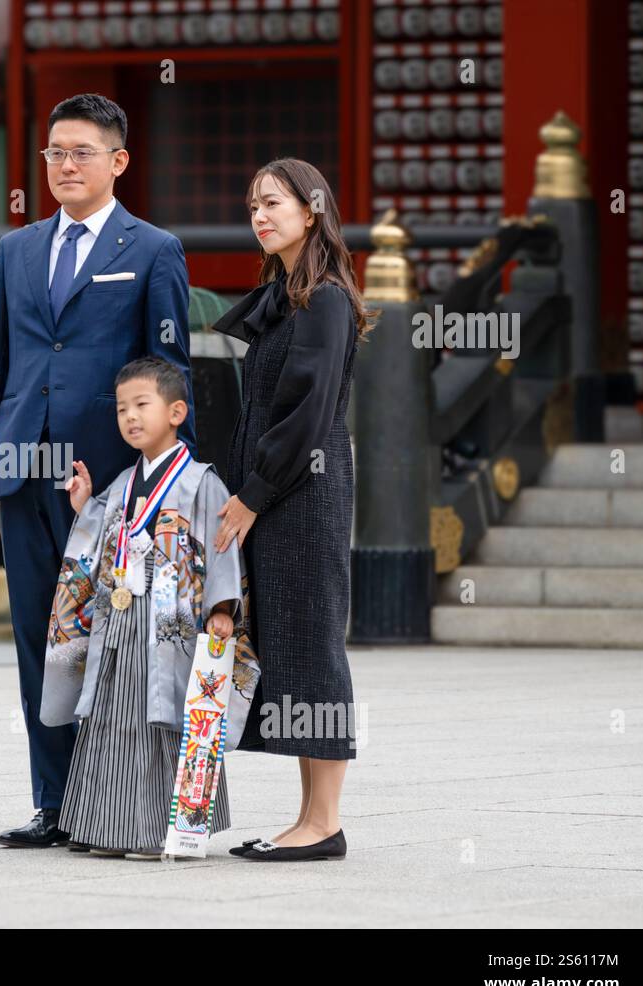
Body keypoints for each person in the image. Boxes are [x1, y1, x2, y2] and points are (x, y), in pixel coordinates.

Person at [0, 94, 197, 849]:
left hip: (114, 482)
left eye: (82, 151)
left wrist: (160, 479)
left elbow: (170, 370)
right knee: (40, 636)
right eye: (54, 152)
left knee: (115, 637)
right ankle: (53, 802)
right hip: (24, 471)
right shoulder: (16, 250)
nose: (64, 165)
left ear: (118, 161)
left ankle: (111, 801)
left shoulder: (153, 250)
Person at [210, 158, 377, 863]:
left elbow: (305, 416)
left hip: (301, 494)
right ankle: (310, 818)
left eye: (273, 202)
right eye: (252, 205)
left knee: (313, 646)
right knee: (290, 646)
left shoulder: (327, 299)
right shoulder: (288, 295)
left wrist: (251, 494)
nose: (260, 215)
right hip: (276, 495)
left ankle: (326, 822)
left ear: (311, 211)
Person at [40, 357, 258, 859]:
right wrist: (87, 508)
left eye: (142, 405)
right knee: (112, 715)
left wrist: (222, 607)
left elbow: (220, 545)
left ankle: (159, 831)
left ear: (177, 411)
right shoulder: (122, 482)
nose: (130, 418)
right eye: (122, 409)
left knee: (162, 716)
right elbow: (109, 539)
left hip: (170, 624)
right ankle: (107, 826)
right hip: (119, 620)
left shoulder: (201, 483)